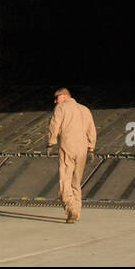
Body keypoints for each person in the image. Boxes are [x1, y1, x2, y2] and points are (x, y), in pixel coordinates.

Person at [47, 87, 96, 222]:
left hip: (67, 147)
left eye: (56, 98)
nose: (55, 101)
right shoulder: (84, 109)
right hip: (82, 148)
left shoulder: (61, 108)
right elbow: (91, 129)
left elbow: (54, 125)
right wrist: (91, 148)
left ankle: (70, 209)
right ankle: (77, 211)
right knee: (76, 181)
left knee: (65, 180)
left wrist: (51, 143)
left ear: (63, 96)